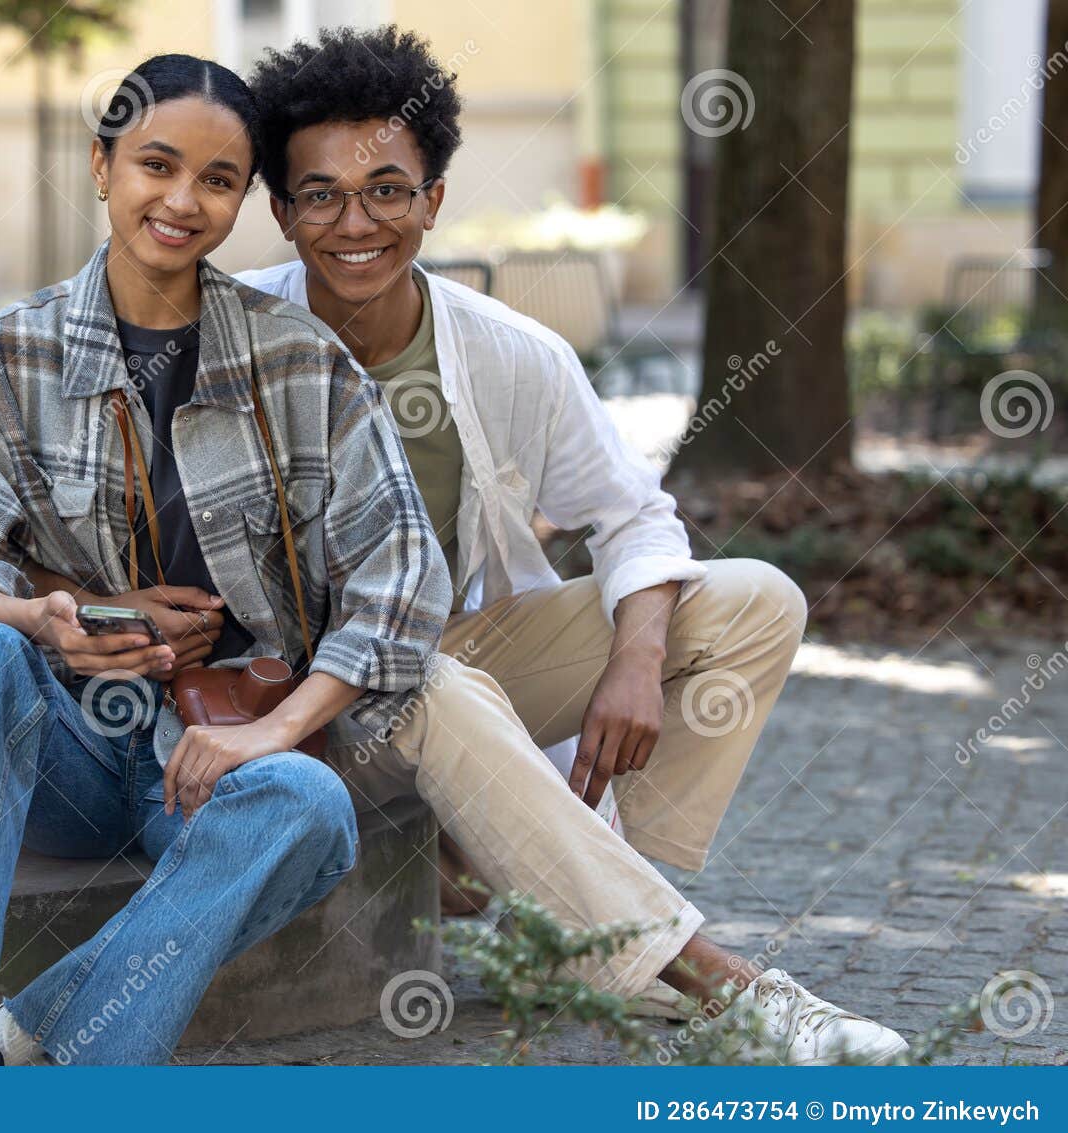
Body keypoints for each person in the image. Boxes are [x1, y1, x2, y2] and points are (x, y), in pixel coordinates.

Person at [215, 26, 902, 1063]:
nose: (356, 223)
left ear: (433, 201)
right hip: (297, 710)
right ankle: (712, 978)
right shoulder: (230, 346)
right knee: (425, 679)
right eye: (321, 195)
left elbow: (633, 516)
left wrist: (635, 658)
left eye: (387, 190)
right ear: (280, 211)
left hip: (457, 665)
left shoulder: (509, 353)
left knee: (754, 599)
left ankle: (590, 902)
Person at [0, 53, 446, 1067]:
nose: (183, 201)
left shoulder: (298, 360)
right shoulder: (11, 355)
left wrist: (273, 731)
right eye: (157, 165)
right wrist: (44, 619)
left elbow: (404, 580)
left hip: (206, 755)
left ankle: (21, 1044)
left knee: (314, 808)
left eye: (218, 179)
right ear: (101, 165)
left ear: (246, 200)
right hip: (58, 746)